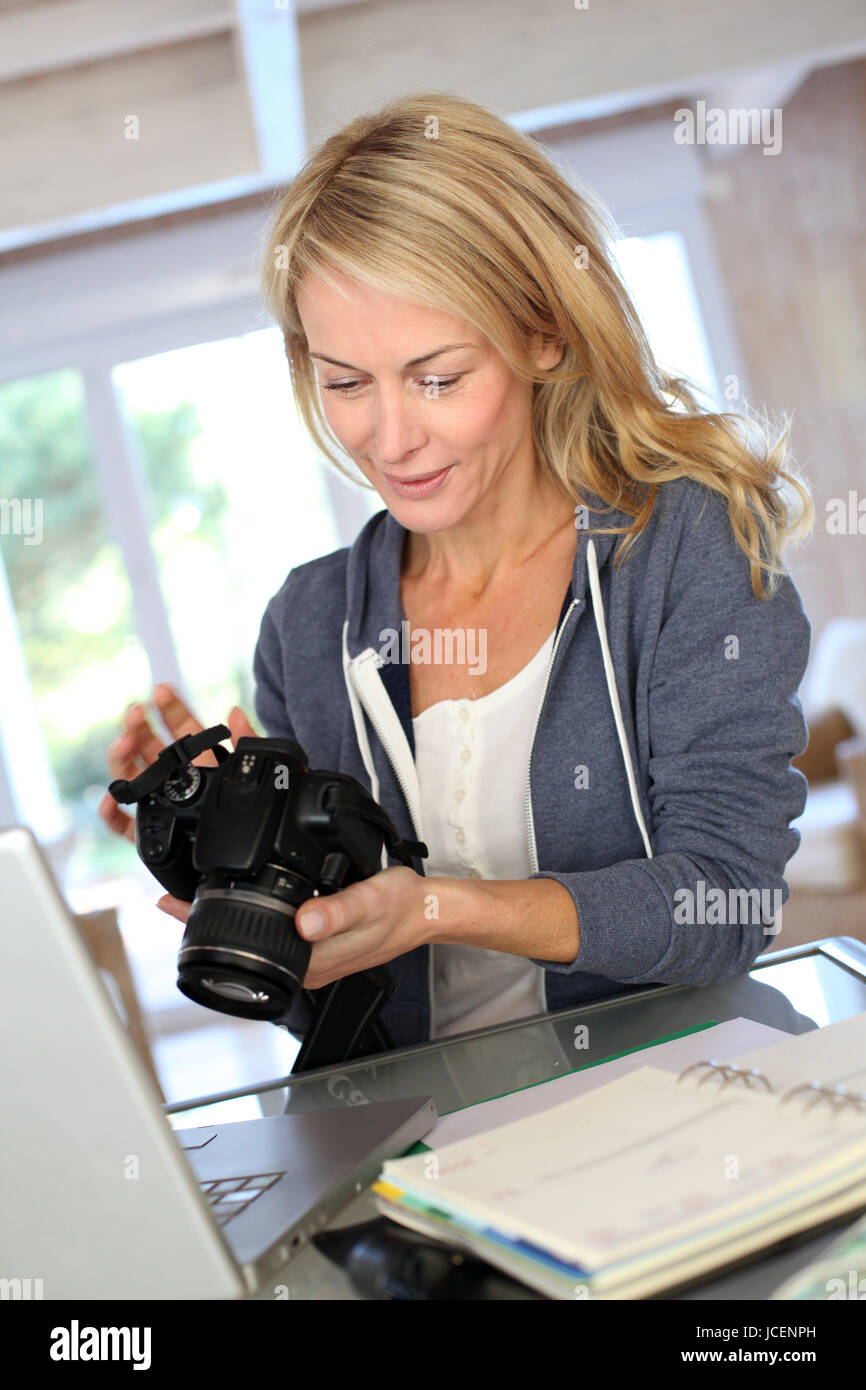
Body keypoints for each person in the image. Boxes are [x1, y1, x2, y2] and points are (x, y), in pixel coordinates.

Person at [100, 91, 814, 1053]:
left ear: (542, 334)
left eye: (437, 377)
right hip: (425, 1149)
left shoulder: (686, 546)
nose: (389, 439)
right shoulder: (309, 622)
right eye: (345, 381)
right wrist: (227, 866)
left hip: (661, 1126)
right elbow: (335, 1008)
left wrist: (439, 908)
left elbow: (724, 904)